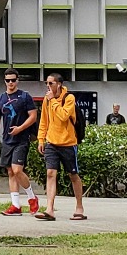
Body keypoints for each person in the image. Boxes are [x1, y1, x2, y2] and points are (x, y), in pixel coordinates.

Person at [36, 73, 85, 221]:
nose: (48, 86)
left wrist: (54, 101)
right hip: (52, 142)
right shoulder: (47, 99)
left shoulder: (69, 98)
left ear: (59, 84)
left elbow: (63, 116)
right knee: (50, 173)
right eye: (47, 83)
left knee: (73, 175)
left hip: (68, 143)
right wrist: (41, 139)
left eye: (51, 83)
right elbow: (44, 120)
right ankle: (49, 209)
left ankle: (79, 207)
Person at [0, 69, 39, 215]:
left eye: (13, 80)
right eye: (8, 80)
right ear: (4, 81)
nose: (10, 83)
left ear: (18, 80)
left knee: (17, 170)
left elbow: (33, 116)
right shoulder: (0, 99)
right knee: (10, 172)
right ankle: (15, 205)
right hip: (7, 140)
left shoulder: (25, 97)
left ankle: (32, 197)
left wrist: (20, 128)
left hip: (21, 139)